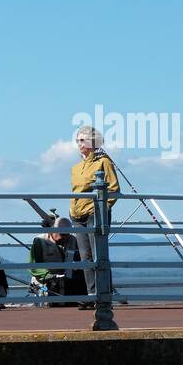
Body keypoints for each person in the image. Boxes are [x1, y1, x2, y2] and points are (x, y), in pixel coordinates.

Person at [68, 125, 119, 306]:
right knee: (85, 257)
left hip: (94, 214)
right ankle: (92, 295)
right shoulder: (76, 167)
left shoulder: (103, 162)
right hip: (77, 216)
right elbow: (75, 191)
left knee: (99, 255)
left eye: (82, 140)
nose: (79, 144)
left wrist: (102, 209)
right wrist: (72, 209)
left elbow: (113, 189)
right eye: (77, 140)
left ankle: (104, 294)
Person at [28, 217, 85, 306]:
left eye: (67, 234)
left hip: (68, 286)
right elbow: (34, 266)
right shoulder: (40, 241)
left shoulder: (73, 240)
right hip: (47, 285)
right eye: (62, 234)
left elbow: (82, 261)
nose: (65, 237)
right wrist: (50, 276)